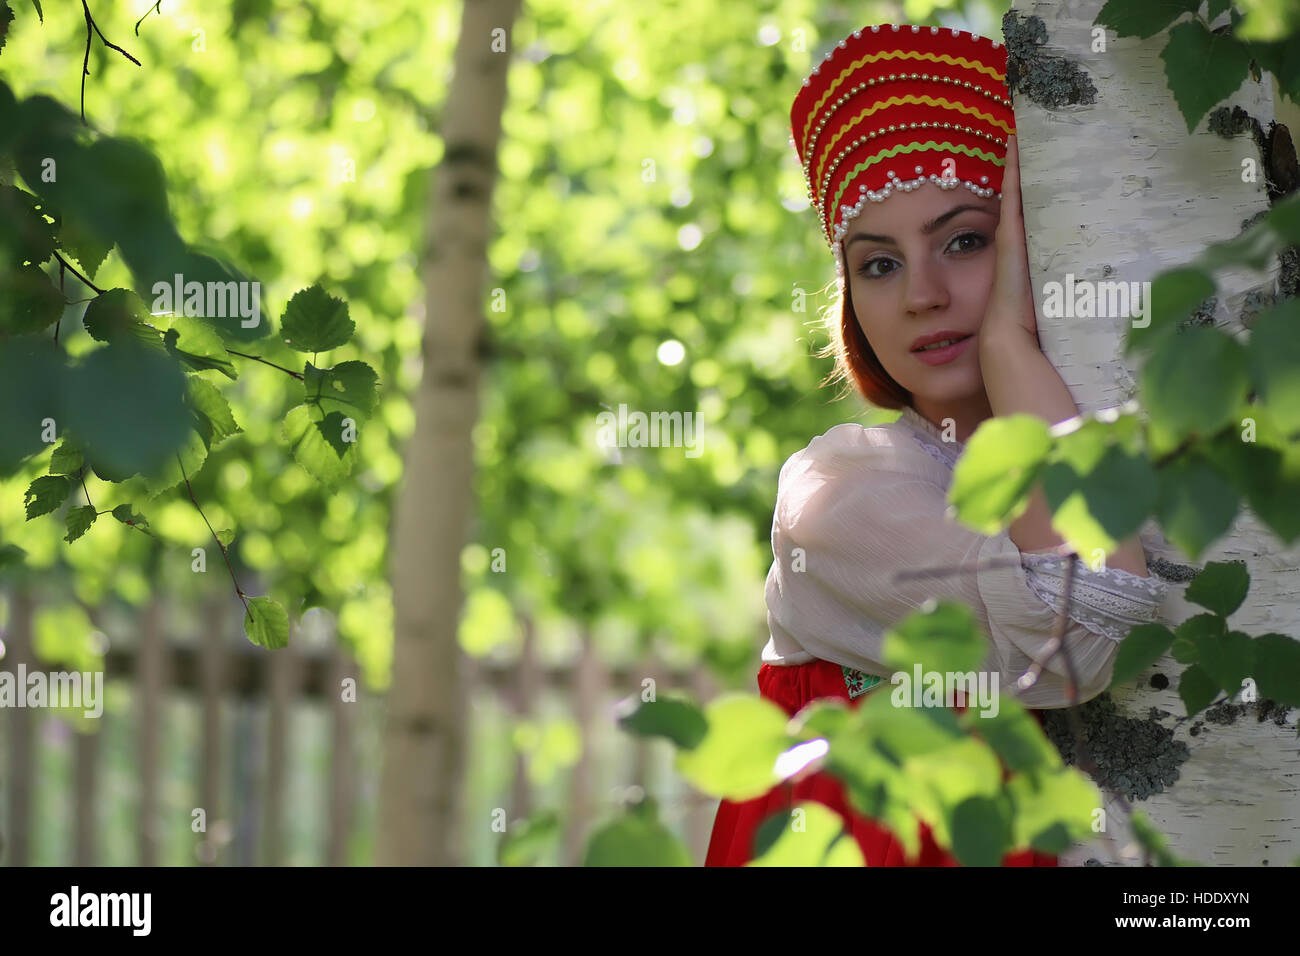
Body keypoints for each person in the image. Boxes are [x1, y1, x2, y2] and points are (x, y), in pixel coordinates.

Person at [704, 22, 1171, 867]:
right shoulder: (837, 491)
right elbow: (1076, 647)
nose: (922, 293)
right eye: (877, 265)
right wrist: (1006, 346)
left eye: (964, 240)